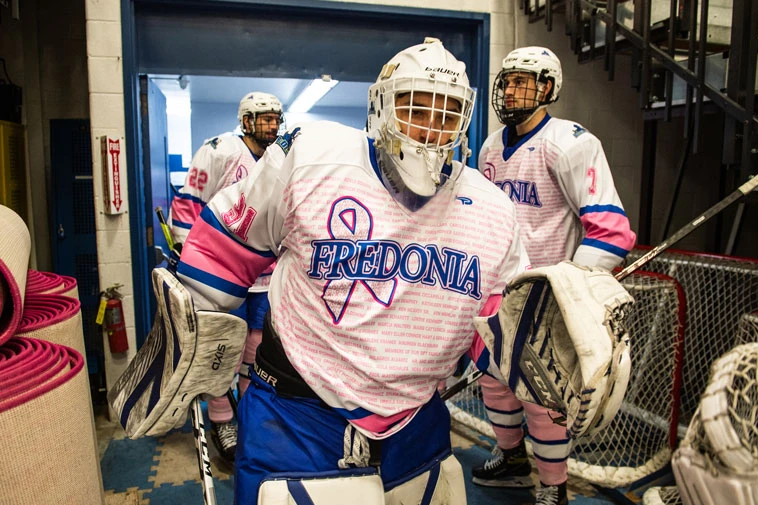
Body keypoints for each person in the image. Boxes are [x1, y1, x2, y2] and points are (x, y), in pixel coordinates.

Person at [174, 38, 530, 505]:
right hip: (297, 413)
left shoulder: (491, 208)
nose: (428, 129)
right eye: (415, 109)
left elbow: (496, 325)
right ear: (382, 108)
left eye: (445, 115)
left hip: (418, 419)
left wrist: (535, 354)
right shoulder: (310, 156)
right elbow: (223, 248)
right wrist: (196, 333)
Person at [471, 46, 636, 505]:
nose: (510, 90)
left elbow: (612, 230)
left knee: (543, 396)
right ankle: (513, 460)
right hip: (497, 292)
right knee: (493, 379)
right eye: (506, 81)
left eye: (523, 81)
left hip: (545, 297)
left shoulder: (571, 142)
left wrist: (571, 292)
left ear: (548, 87)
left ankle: (554, 488)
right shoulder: (489, 146)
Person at [168, 91, 284, 463]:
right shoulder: (217, 150)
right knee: (222, 346)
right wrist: (189, 256)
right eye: (265, 118)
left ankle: (248, 416)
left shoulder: (282, 157)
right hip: (223, 269)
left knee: (256, 346)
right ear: (246, 121)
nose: (273, 125)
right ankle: (221, 415)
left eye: (276, 118)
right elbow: (190, 202)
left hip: (265, 273)